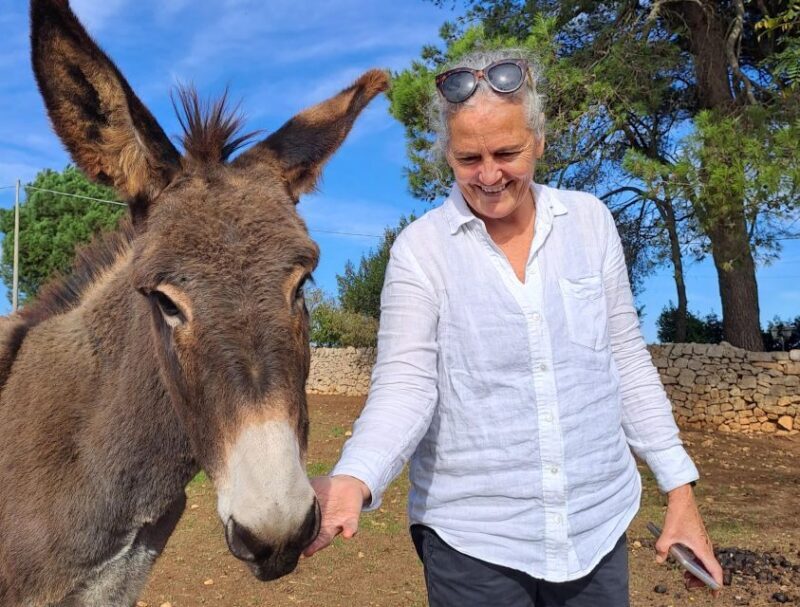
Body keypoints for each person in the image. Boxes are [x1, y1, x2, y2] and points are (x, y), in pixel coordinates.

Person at [304, 49, 724, 606]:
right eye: (468, 158)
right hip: (473, 542)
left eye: (508, 152)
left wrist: (679, 491)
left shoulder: (591, 225)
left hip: (596, 528)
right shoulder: (420, 251)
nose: (489, 175)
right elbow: (406, 384)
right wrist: (355, 478)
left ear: (540, 143)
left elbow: (625, 360)